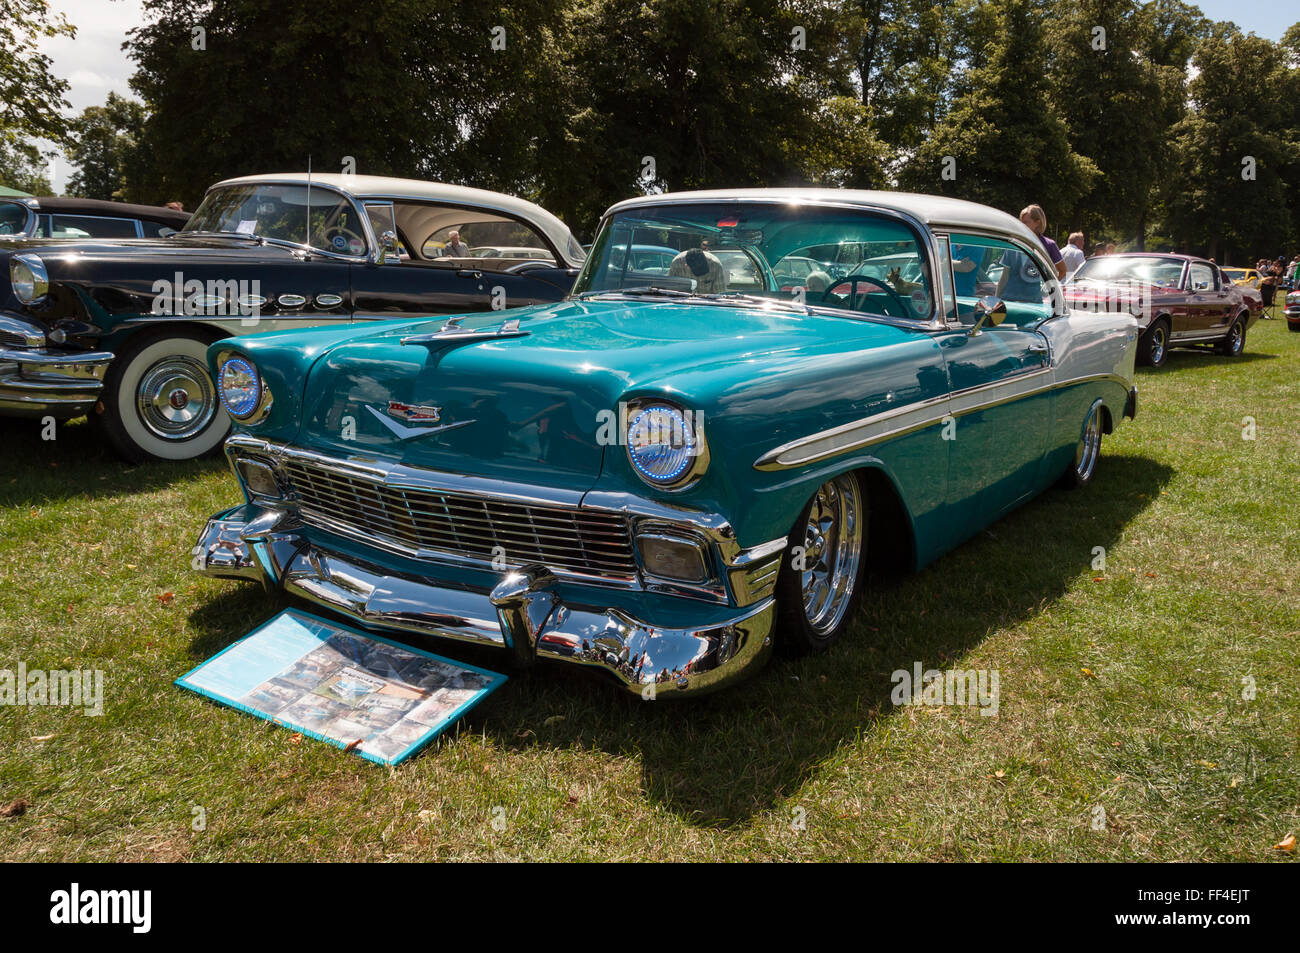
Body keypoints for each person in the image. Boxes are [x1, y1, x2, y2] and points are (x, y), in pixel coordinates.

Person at [1019, 205, 1066, 279]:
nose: (1022, 225)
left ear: (1037, 222)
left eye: (1026, 222)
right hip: (1012, 290)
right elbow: (1006, 272)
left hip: (1035, 290)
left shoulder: (1049, 245)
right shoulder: (1015, 241)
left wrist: (1050, 287)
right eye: (1021, 222)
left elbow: (1063, 270)